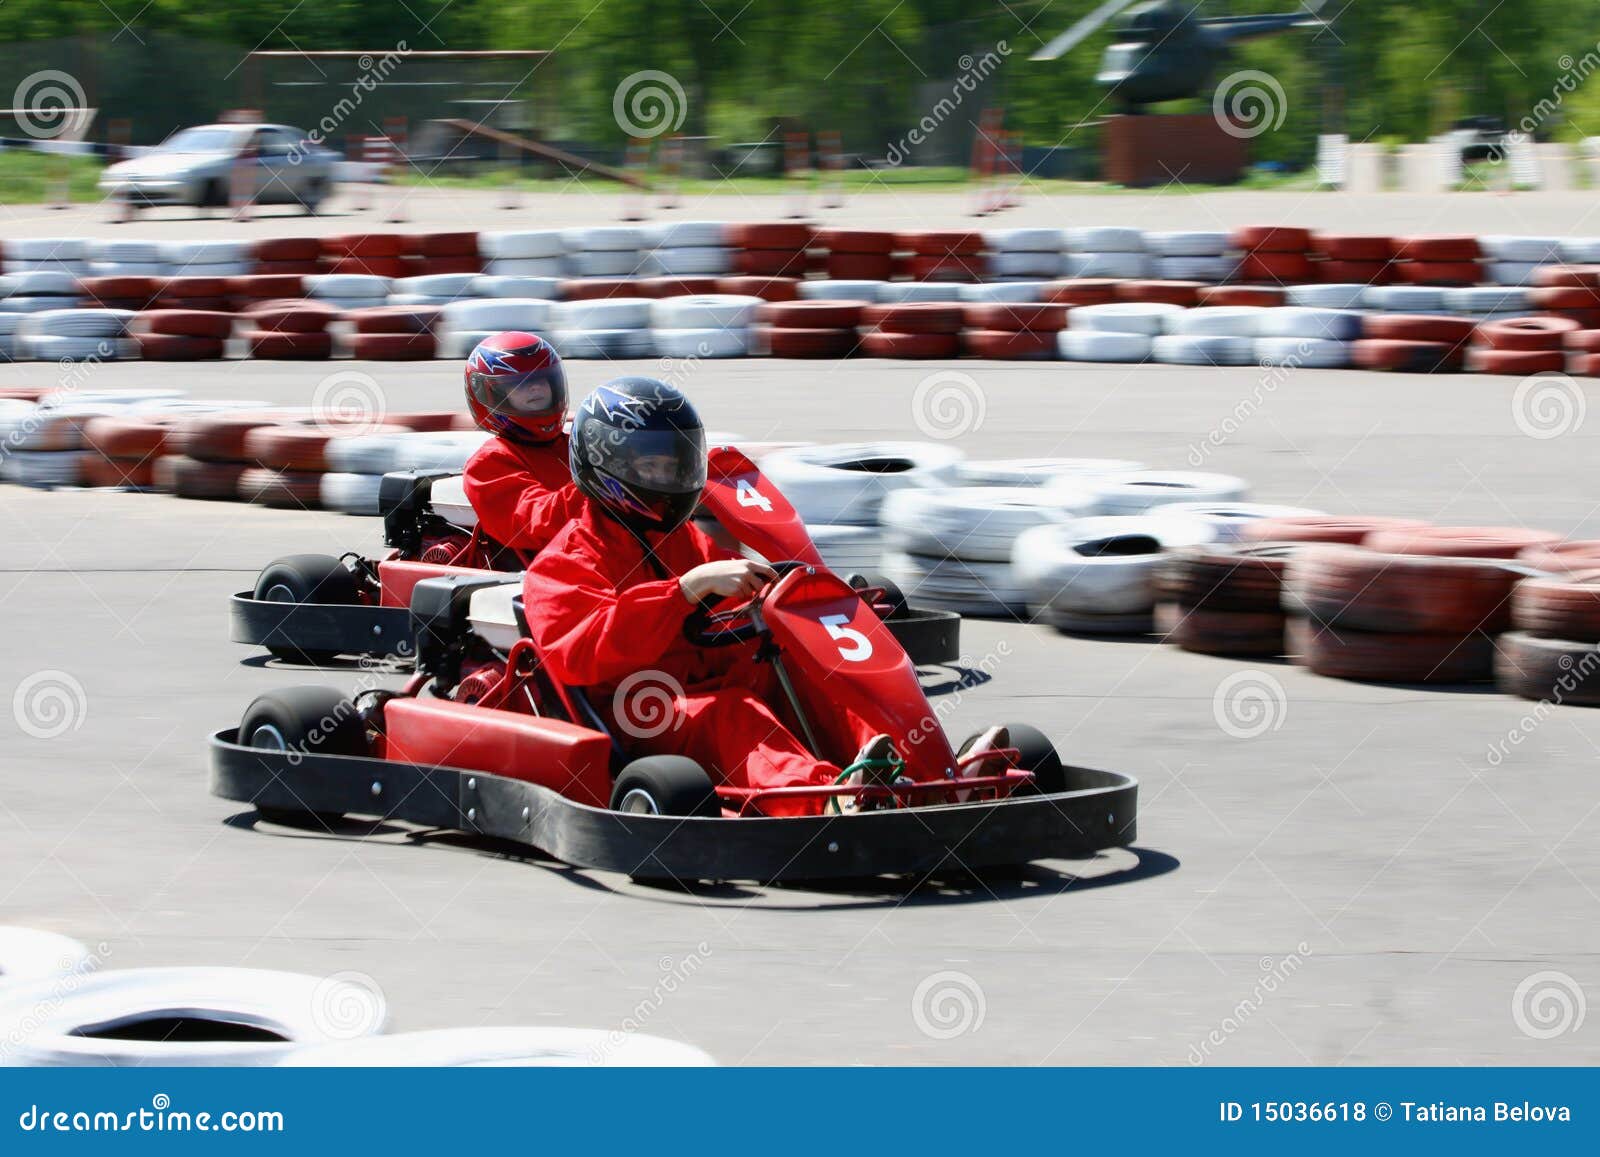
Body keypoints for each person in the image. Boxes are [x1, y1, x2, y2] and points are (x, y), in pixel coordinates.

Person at [520, 376, 994, 816]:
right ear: (606, 466)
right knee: (734, 714)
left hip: (711, 678)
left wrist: (783, 600)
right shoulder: (563, 564)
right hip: (642, 709)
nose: (665, 478)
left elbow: (729, 611)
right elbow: (579, 655)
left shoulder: (685, 541)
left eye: (673, 465)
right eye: (650, 466)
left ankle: (928, 776)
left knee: (811, 673)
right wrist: (684, 591)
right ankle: (828, 801)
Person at [459, 332, 585, 555]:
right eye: (521, 384)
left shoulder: (577, 446)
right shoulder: (489, 463)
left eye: (540, 380)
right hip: (553, 568)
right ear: (494, 395)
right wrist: (598, 482)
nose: (535, 388)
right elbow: (536, 523)